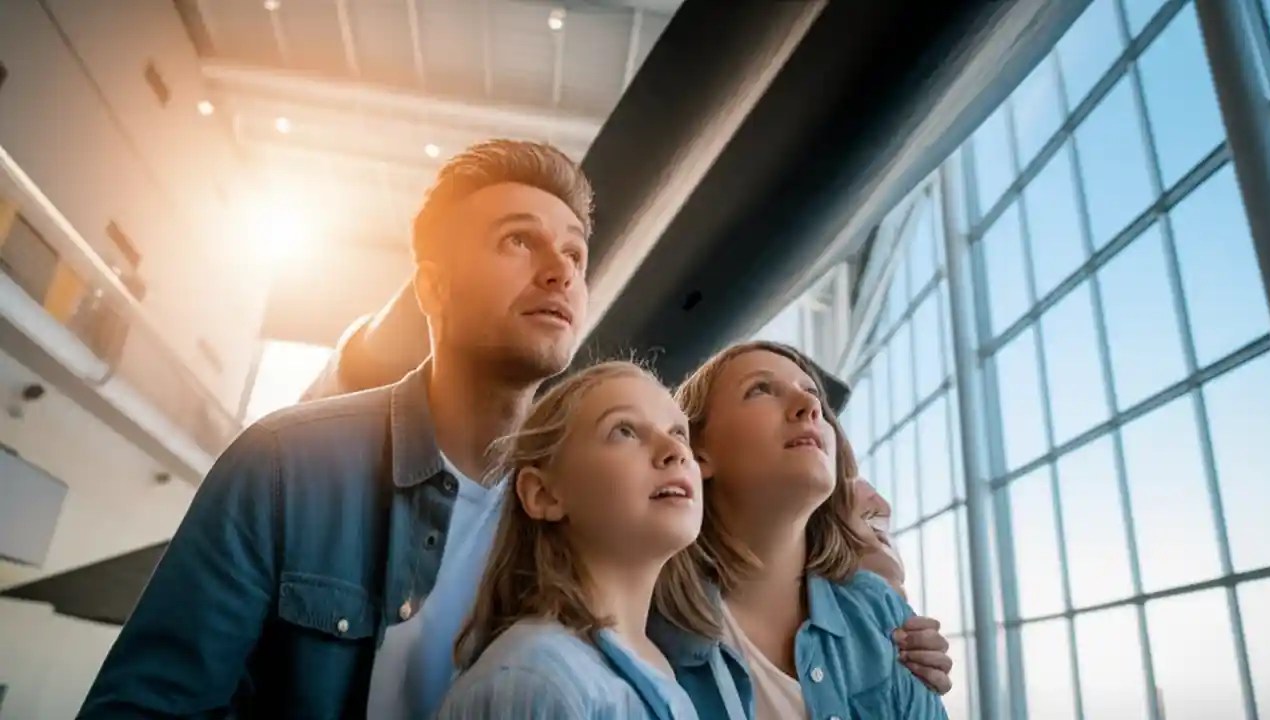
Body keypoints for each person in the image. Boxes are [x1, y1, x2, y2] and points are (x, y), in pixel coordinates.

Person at [79, 140, 949, 719]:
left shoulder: (618, 513)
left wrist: (885, 600)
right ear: (431, 286)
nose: (559, 270)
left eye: (574, 251)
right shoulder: (288, 467)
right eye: (516, 242)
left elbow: (759, 592)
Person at [649, 340, 950, 719]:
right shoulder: (646, 625)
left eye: (812, 396)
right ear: (697, 452)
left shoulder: (879, 613)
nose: (809, 407)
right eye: (760, 389)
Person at [436, 360, 745, 719]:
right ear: (543, 494)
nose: (674, 451)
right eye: (624, 431)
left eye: (678, 433)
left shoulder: (658, 666)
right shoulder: (538, 677)